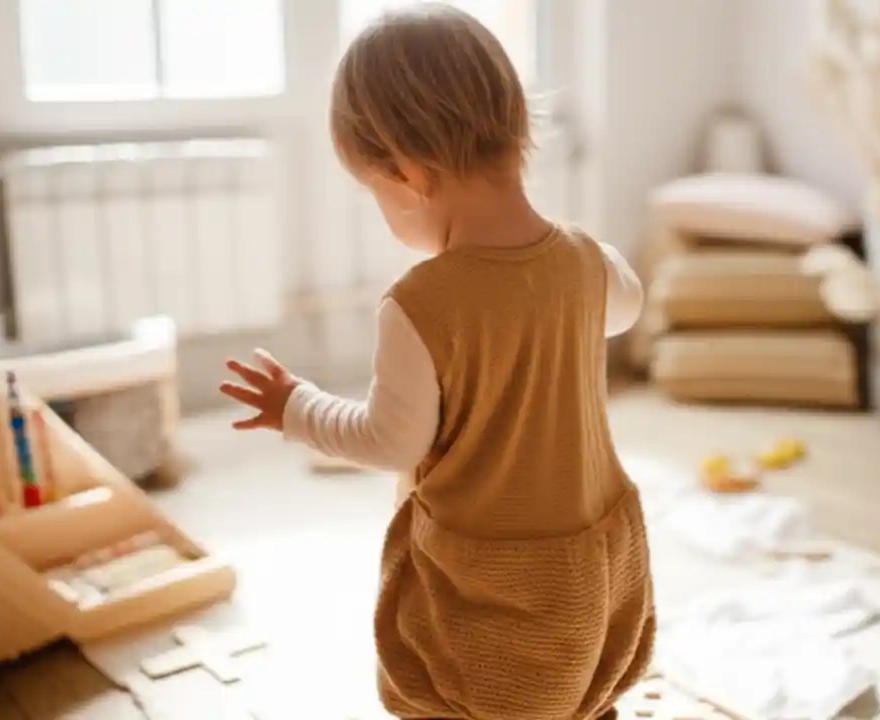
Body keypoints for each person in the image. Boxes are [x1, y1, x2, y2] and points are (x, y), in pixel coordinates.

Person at [220, 4, 653, 717]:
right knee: (584, 693)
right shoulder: (586, 262)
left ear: (412, 176)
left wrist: (296, 408)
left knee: (459, 696)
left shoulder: (420, 305)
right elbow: (627, 305)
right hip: (597, 564)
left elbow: (390, 441)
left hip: (491, 581)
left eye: (376, 193)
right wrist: (579, 261)